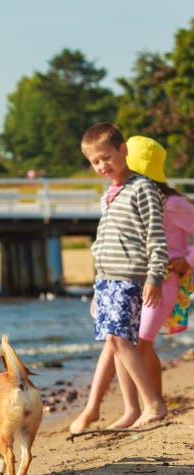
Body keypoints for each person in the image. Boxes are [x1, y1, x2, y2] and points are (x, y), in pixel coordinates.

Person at [69, 136, 193, 432]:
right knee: (122, 340)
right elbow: (106, 241)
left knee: (133, 341)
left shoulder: (170, 202)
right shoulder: (117, 193)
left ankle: (150, 404)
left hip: (161, 279)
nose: (103, 167)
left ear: (124, 155)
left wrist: (188, 258)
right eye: (96, 161)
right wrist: (97, 289)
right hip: (121, 277)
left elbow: (156, 240)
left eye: (107, 159)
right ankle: (131, 408)